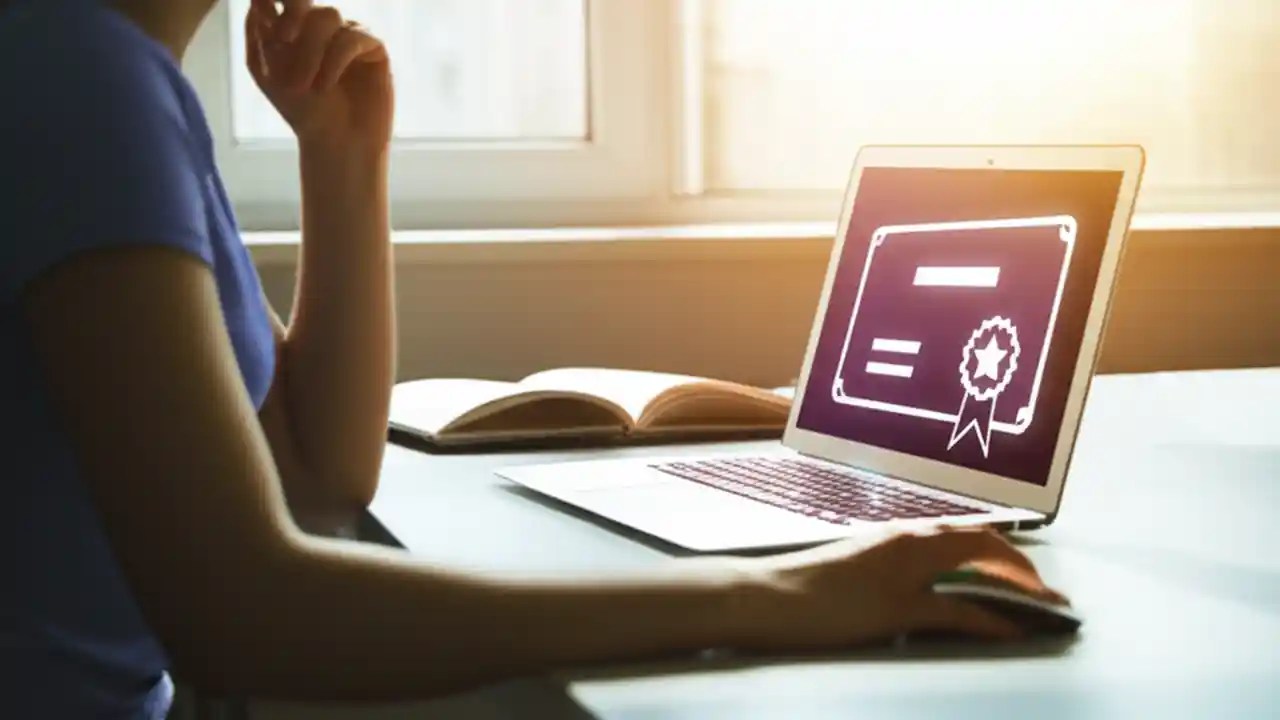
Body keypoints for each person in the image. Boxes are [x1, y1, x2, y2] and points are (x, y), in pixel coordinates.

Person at [0, 0, 1065, 717]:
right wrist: (782, 595)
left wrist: (343, 157)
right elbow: (244, 616)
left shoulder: (113, 78)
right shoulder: (80, 77)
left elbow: (315, 479)